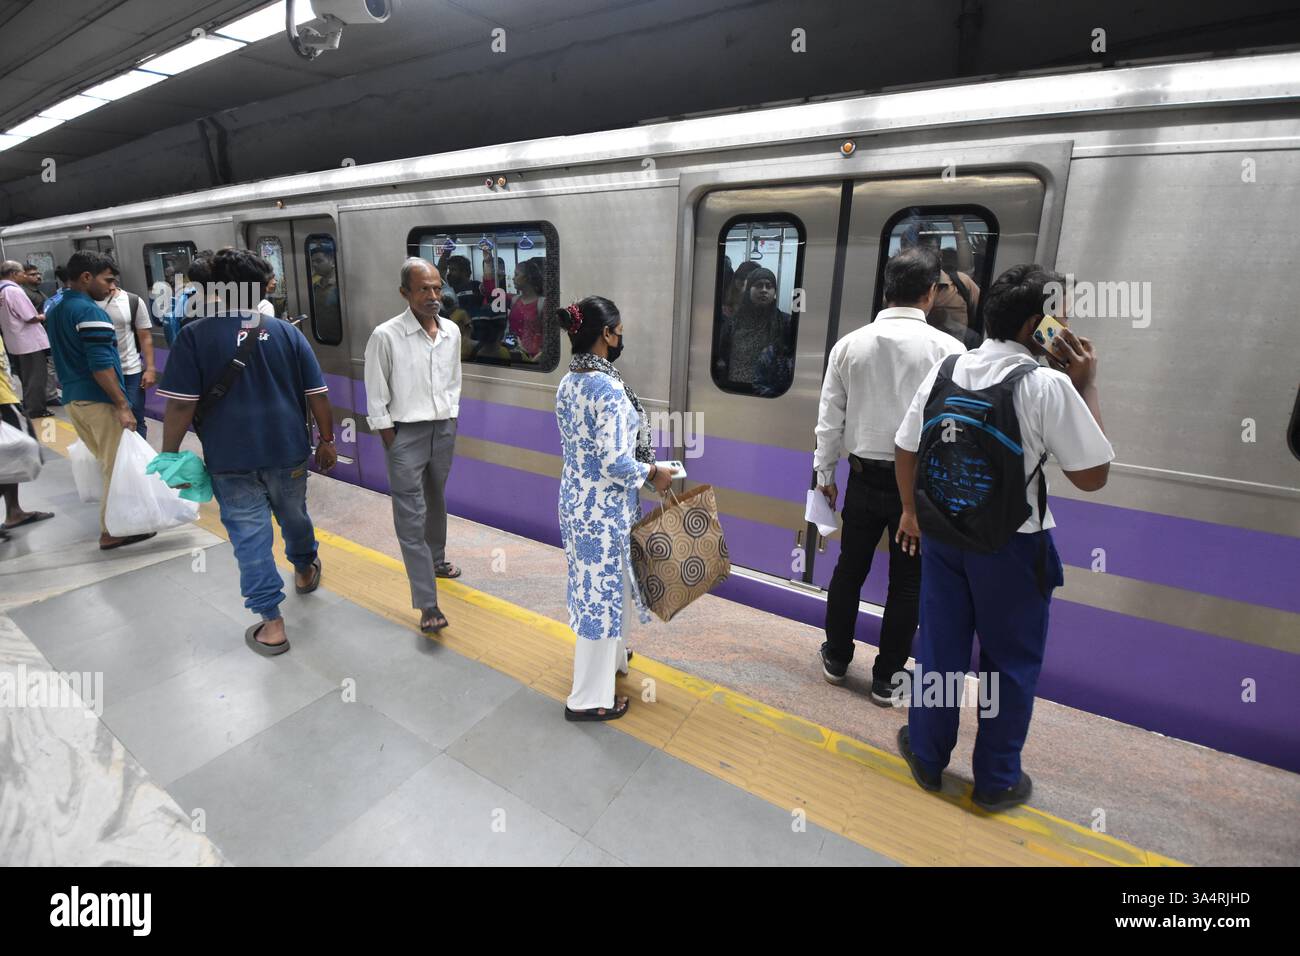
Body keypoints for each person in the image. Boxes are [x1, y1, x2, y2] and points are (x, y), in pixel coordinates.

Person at [893, 263, 1114, 812]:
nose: (1065, 324)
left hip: (945, 536)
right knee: (1009, 664)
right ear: (1037, 326)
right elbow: (1092, 476)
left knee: (940, 650)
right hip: (1013, 548)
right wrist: (1086, 386)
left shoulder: (949, 367)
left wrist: (910, 513)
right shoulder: (1048, 385)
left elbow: (905, 446)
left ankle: (925, 755)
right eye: (1059, 315)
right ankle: (994, 780)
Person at [157, 248, 337, 655]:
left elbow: (181, 405)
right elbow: (318, 394)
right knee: (294, 515)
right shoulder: (286, 332)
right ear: (258, 289)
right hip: (288, 450)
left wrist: (169, 456)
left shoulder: (194, 336)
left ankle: (272, 624)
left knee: (249, 536)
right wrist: (327, 441)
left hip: (230, 458)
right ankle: (305, 568)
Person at [815, 246, 966, 703]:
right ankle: (887, 678)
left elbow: (830, 417)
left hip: (861, 479)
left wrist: (825, 471)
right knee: (907, 583)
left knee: (849, 571)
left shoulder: (850, 345)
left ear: (887, 288)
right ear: (930, 293)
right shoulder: (951, 351)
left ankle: (837, 657)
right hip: (918, 491)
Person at [554, 296, 679, 721]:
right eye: (619, 331)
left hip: (580, 503)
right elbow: (612, 460)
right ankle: (587, 699)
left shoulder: (569, 381)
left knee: (606, 592)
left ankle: (612, 665)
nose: (621, 337)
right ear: (605, 335)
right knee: (600, 601)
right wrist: (652, 472)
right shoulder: (606, 388)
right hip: (601, 514)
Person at [364, 258, 463, 634]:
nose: (433, 296)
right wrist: (393, 439)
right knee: (411, 515)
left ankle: (436, 559)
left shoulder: (451, 332)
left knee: (436, 497)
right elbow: (376, 395)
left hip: (443, 430)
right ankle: (427, 602)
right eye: (424, 289)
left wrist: (451, 417)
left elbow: (453, 381)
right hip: (406, 432)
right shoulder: (385, 336)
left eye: (437, 288)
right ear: (405, 292)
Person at [45, 251, 152, 550]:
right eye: (107, 280)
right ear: (86, 277)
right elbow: (101, 364)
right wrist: (121, 404)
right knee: (114, 466)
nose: (111, 287)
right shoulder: (91, 312)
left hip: (74, 399)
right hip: (98, 400)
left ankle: (119, 522)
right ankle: (112, 530)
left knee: (108, 462)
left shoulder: (57, 308)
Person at [0, 350, 53, 540]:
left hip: (7, 396)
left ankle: (14, 511)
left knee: (12, 458)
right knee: (27, 454)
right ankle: (13, 511)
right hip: (3, 402)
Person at [715, 266, 794, 393]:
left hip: (770, 393)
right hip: (735, 391)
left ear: (774, 291)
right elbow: (723, 353)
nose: (764, 290)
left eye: (769, 286)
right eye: (758, 285)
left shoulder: (785, 322)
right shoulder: (734, 323)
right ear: (749, 290)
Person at [96, 272, 155, 437]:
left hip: (131, 369)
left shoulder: (133, 301)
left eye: (111, 280)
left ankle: (139, 459)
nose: (110, 285)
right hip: (101, 371)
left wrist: (150, 368)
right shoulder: (87, 304)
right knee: (109, 418)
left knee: (136, 416)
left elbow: (145, 336)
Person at [0, 260, 51, 421]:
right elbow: (30, 317)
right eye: (22, 272)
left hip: (14, 340)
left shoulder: (2, 289)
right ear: (14, 274)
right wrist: (44, 315)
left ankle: (30, 404)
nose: (24, 275)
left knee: (26, 375)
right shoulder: (14, 291)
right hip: (29, 342)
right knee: (36, 375)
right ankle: (35, 409)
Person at [507, 258, 546, 360]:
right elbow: (491, 292)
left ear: (527, 278)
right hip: (513, 353)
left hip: (533, 357)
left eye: (516, 275)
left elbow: (550, 335)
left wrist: (539, 356)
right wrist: (488, 262)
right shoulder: (514, 300)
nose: (513, 278)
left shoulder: (542, 304)